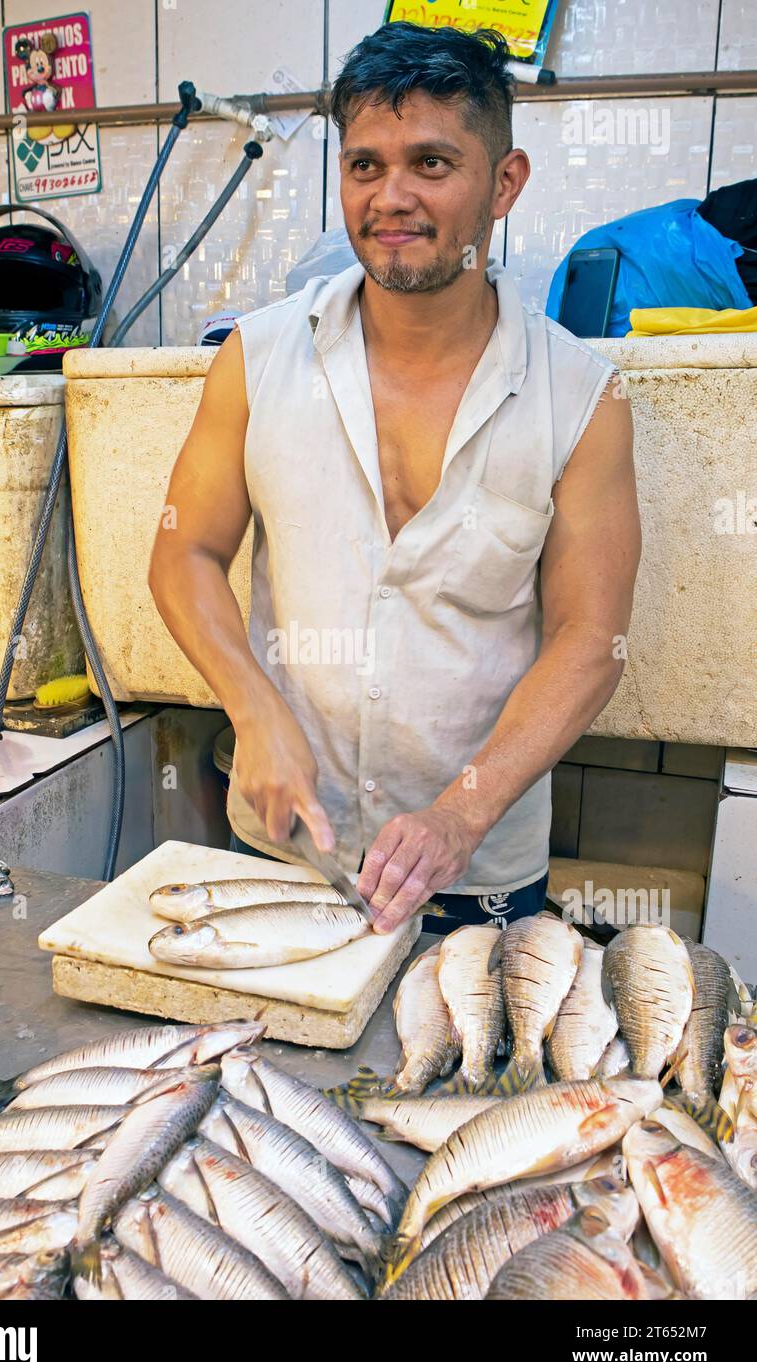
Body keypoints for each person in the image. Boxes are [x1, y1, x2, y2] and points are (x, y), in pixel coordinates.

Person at [148, 23, 639, 936]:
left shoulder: (580, 398)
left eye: (430, 163)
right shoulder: (257, 360)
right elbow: (185, 553)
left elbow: (589, 638)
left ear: (504, 183)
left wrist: (460, 813)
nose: (391, 198)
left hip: (477, 872)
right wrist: (252, 709)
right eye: (364, 166)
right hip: (291, 851)